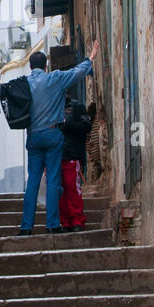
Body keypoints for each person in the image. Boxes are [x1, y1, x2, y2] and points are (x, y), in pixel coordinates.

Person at [19, 41, 98, 235]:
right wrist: (90, 58)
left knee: (33, 182)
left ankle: (26, 227)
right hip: (53, 134)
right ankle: (52, 224)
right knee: (54, 180)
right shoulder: (54, 78)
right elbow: (77, 72)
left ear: (30, 67)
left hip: (33, 136)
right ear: (46, 65)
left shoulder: (24, 83)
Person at [60, 98, 94, 232]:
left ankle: (77, 220)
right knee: (60, 191)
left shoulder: (76, 106)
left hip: (72, 155)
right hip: (56, 155)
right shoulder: (50, 105)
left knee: (73, 188)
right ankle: (65, 222)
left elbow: (87, 126)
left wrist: (67, 124)